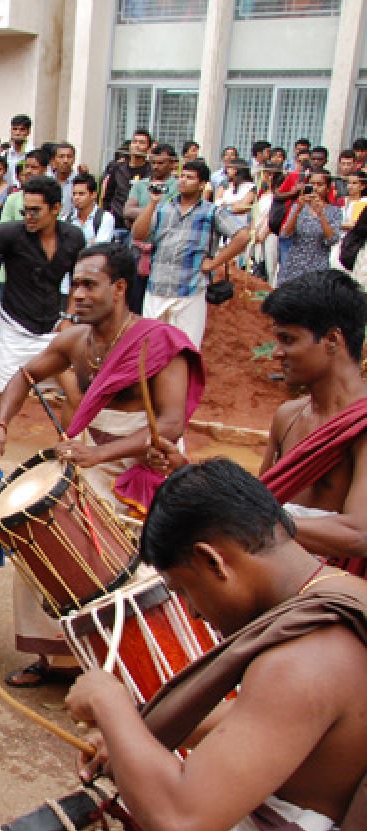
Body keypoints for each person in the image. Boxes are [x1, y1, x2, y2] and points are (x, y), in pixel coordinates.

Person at [67, 459, 367, 831]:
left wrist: (107, 697)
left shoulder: (305, 660)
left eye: (185, 590)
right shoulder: (343, 594)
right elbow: (274, 718)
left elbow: (181, 822)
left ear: (213, 561)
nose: (192, 611)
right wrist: (135, 729)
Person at [0, 243, 202, 686]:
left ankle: (136, 663)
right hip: (87, 454)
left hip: (145, 463)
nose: (77, 295)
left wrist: (99, 454)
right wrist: (1, 425)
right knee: (38, 530)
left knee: (121, 553)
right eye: (74, 285)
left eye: (89, 285)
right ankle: (55, 659)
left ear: (120, 287)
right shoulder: (74, 341)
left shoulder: (159, 341)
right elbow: (25, 375)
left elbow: (171, 421)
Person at [259, 270, 367, 576]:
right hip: (276, 576)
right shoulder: (287, 416)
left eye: (288, 340)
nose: (277, 353)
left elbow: (360, 535)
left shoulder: (362, 425)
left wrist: (252, 518)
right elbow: (260, 497)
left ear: (332, 340)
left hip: (338, 596)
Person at [0, 175, 86, 424]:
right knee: (1, 401)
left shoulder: (73, 238)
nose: (29, 216)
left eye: (36, 211)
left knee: (77, 394)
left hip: (53, 328)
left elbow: (78, 280)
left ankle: (67, 455)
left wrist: (70, 317)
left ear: (56, 209)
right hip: (13, 330)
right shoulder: (11, 234)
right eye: (25, 210)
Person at [132, 159, 249, 349]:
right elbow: (137, 234)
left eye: (189, 178)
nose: (183, 181)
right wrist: (152, 204)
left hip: (190, 290)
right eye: (181, 177)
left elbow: (242, 236)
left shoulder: (212, 212)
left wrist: (214, 263)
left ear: (202, 184)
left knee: (185, 350)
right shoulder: (163, 208)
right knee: (150, 349)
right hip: (156, 288)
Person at [277, 167, 340, 286]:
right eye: (312, 184)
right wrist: (298, 210)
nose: (315, 188)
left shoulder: (334, 211)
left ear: (327, 188)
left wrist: (321, 214)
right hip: (294, 264)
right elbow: (286, 233)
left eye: (320, 184)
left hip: (318, 266)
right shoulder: (299, 207)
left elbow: (332, 239)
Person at [101, 128, 151, 240]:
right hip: (116, 225)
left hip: (138, 226)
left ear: (148, 149)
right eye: (134, 142)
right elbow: (107, 197)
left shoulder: (151, 172)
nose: (137, 145)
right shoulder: (117, 169)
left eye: (142, 143)